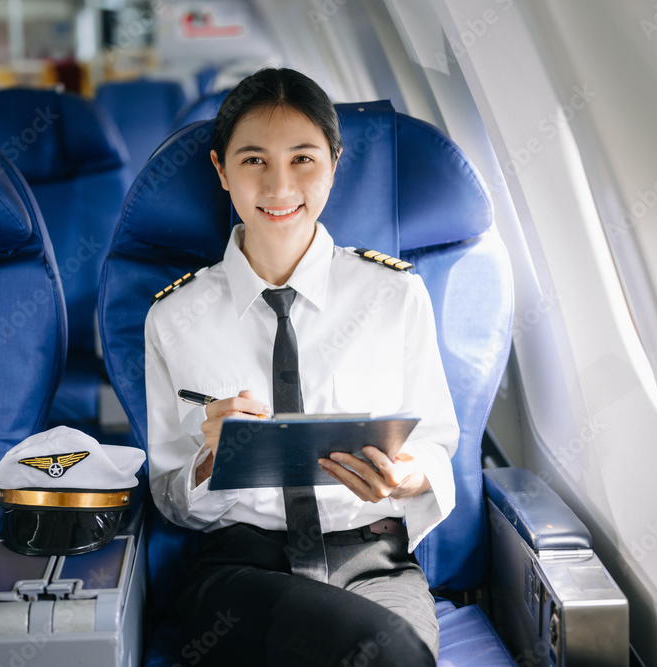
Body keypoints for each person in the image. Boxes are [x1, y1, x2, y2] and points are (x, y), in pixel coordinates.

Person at [143, 67, 460, 666]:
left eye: (304, 159)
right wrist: (211, 458)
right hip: (242, 570)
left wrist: (409, 476)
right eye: (254, 160)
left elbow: (438, 446)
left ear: (335, 164)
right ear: (221, 170)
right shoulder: (174, 317)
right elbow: (170, 498)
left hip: (374, 562)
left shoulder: (394, 296)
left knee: (395, 655)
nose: (280, 185)